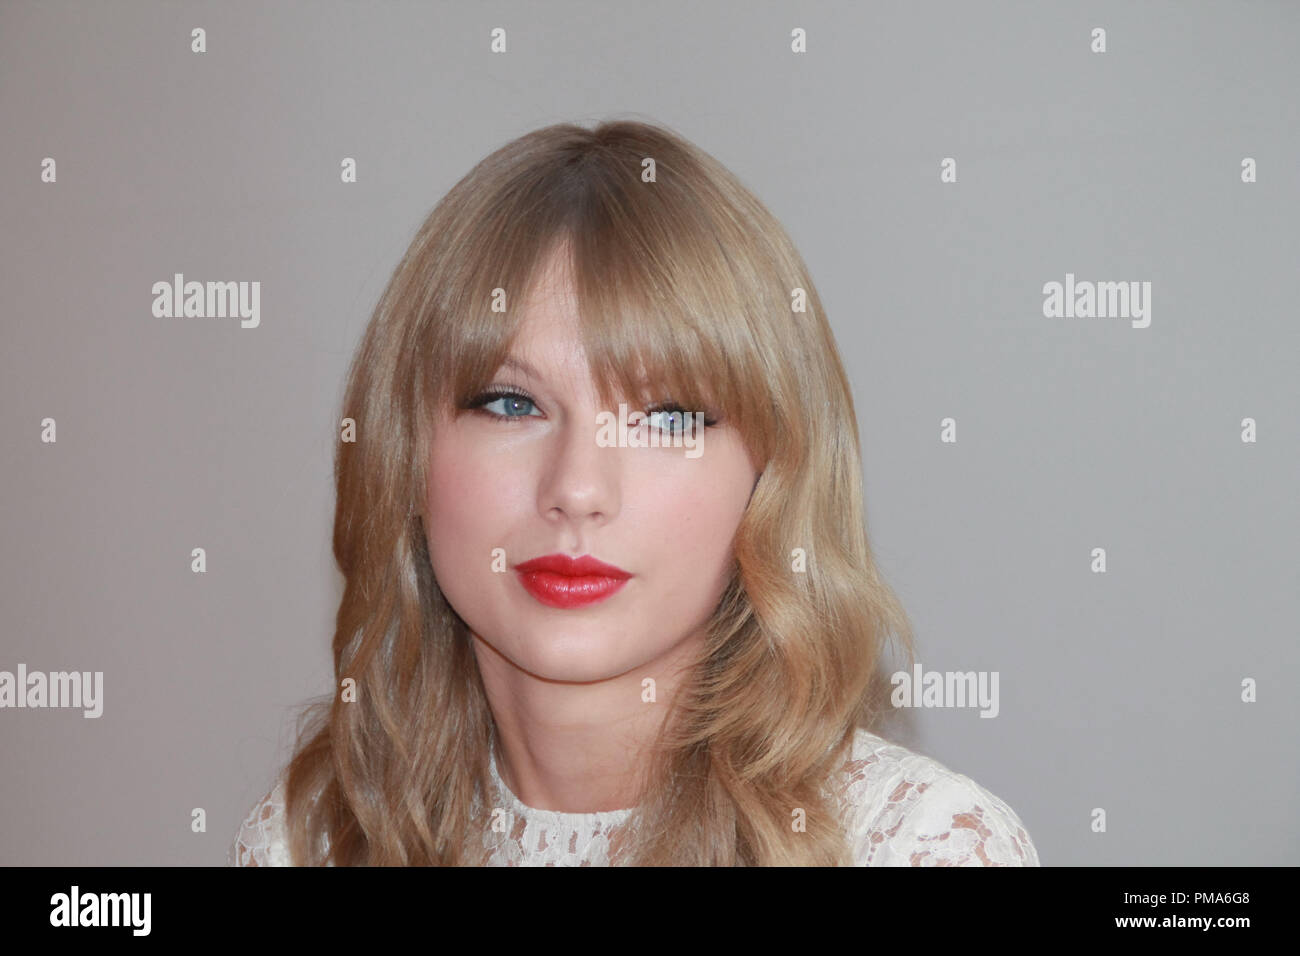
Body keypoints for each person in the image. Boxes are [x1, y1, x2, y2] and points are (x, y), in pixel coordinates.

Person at [229, 119, 1039, 866]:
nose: (578, 490)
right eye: (512, 404)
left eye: (668, 416)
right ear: (404, 454)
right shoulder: (307, 841)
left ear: (771, 475)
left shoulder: (919, 848)